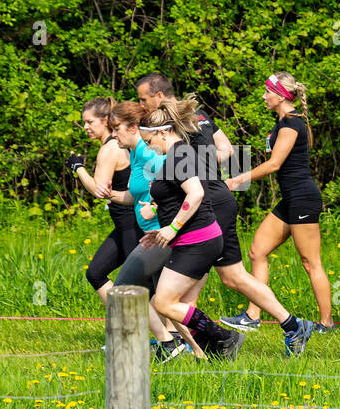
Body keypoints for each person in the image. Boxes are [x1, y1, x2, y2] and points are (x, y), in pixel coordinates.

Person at [135, 72, 315, 355]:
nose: (142, 106)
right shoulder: (198, 115)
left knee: (184, 290)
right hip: (215, 196)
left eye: (144, 100)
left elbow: (194, 179)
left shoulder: (172, 128)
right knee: (232, 277)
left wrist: (201, 176)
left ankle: (193, 345)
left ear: (159, 98)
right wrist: (205, 169)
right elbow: (228, 150)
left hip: (207, 204)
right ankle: (291, 325)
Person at [221, 72, 334, 333]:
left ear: (281, 95)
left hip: (303, 199)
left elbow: (275, 164)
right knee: (256, 252)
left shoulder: (291, 124)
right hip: (290, 200)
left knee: (310, 262)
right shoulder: (283, 121)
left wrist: (237, 180)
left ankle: (326, 323)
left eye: (267, 92)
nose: (263, 96)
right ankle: (253, 315)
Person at [136, 98, 244, 360]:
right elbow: (175, 197)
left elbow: (195, 194)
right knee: (167, 302)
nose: (150, 149)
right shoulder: (177, 153)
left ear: (163, 132)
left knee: (163, 302)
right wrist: (160, 223)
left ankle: (223, 338)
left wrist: (172, 228)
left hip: (198, 240)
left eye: (150, 142)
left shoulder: (180, 154)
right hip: (191, 239)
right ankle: (214, 346)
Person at [104, 100, 192, 363]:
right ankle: (196, 345)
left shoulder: (149, 152)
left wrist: (153, 209)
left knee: (123, 288)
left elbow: (171, 189)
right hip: (152, 234)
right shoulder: (133, 152)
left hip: (160, 235)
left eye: (116, 127)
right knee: (160, 299)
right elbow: (136, 195)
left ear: (133, 128)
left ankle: (167, 343)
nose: (112, 133)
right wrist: (112, 195)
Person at [70, 97, 137, 304]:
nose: (85, 127)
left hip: (131, 224)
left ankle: (171, 333)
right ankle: (127, 324)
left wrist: (77, 167)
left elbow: (98, 190)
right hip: (124, 224)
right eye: (84, 122)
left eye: (90, 122)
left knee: (146, 285)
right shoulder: (116, 145)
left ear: (105, 120)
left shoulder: (109, 149)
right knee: (96, 272)